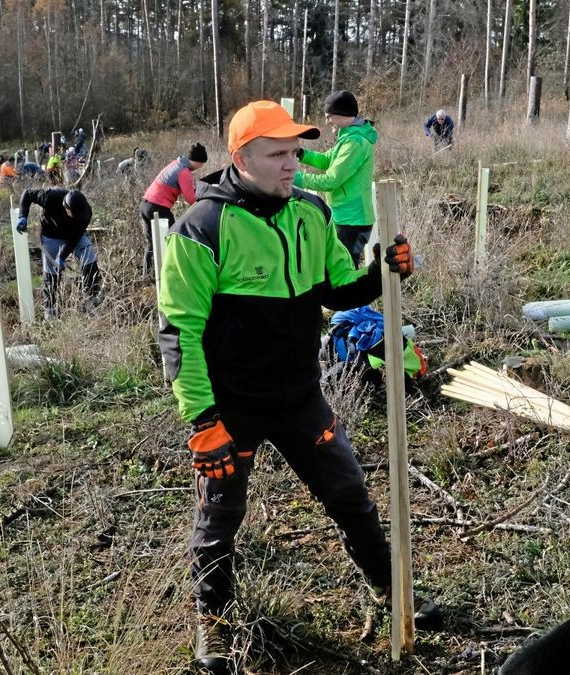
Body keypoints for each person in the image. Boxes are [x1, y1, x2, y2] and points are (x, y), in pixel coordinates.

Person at [158, 100, 437, 674]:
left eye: (295, 152)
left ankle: (393, 593)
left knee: (349, 493)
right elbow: (179, 332)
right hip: (230, 409)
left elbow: (338, 288)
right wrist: (203, 422)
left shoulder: (311, 212)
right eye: (277, 154)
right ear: (241, 158)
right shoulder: (202, 228)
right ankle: (213, 629)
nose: (293, 164)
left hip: (300, 398)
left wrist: (383, 268)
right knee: (218, 521)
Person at [294, 90, 378, 268]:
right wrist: (301, 154)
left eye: (329, 116)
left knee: (345, 271)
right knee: (338, 268)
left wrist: (295, 178)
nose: (327, 121)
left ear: (343, 114)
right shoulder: (347, 138)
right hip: (344, 216)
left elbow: (331, 180)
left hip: (353, 220)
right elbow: (327, 160)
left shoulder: (354, 144)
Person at [16, 187, 100, 318]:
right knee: (51, 273)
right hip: (51, 234)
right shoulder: (51, 197)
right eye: (74, 215)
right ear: (66, 207)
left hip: (74, 235)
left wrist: (62, 257)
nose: (76, 218)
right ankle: (51, 310)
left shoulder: (85, 213)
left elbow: (74, 238)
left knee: (90, 262)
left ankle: (91, 300)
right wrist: (22, 216)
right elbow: (27, 193)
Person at [139, 143, 206, 275]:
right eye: (202, 163)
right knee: (172, 239)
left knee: (152, 242)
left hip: (145, 205)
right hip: (157, 208)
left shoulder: (176, 164)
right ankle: (170, 272)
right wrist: (204, 197)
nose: (202, 166)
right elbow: (190, 199)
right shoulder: (184, 171)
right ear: (196, 160)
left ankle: (146, 274)